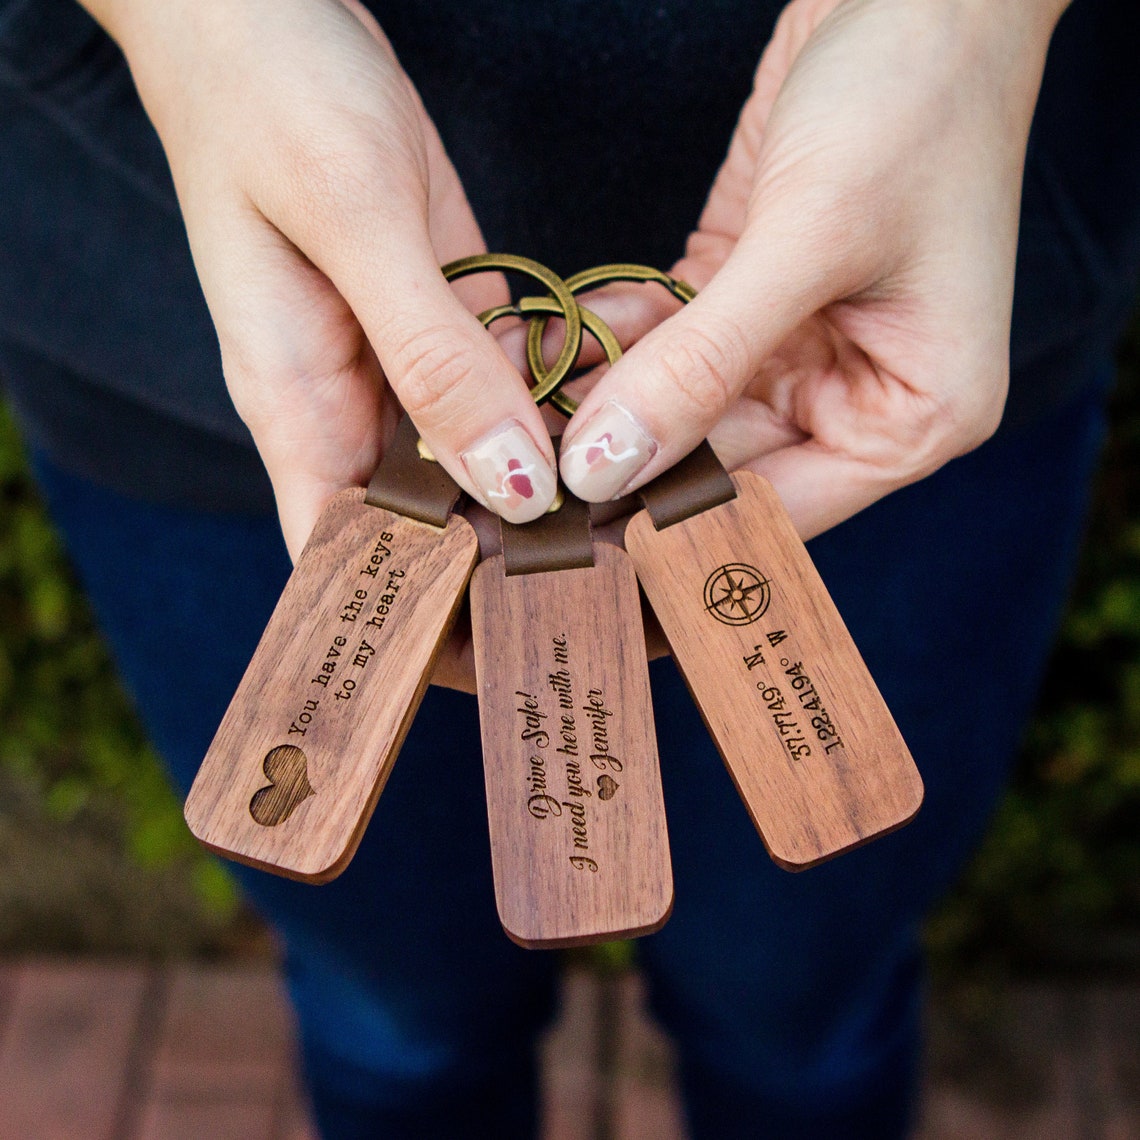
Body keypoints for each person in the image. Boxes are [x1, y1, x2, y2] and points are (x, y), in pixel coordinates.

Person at [2, 0, 1138, 1135]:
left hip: (873, 343)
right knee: (402, 1017)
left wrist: (961, 26)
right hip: (220, 356)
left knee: (799, 1009)